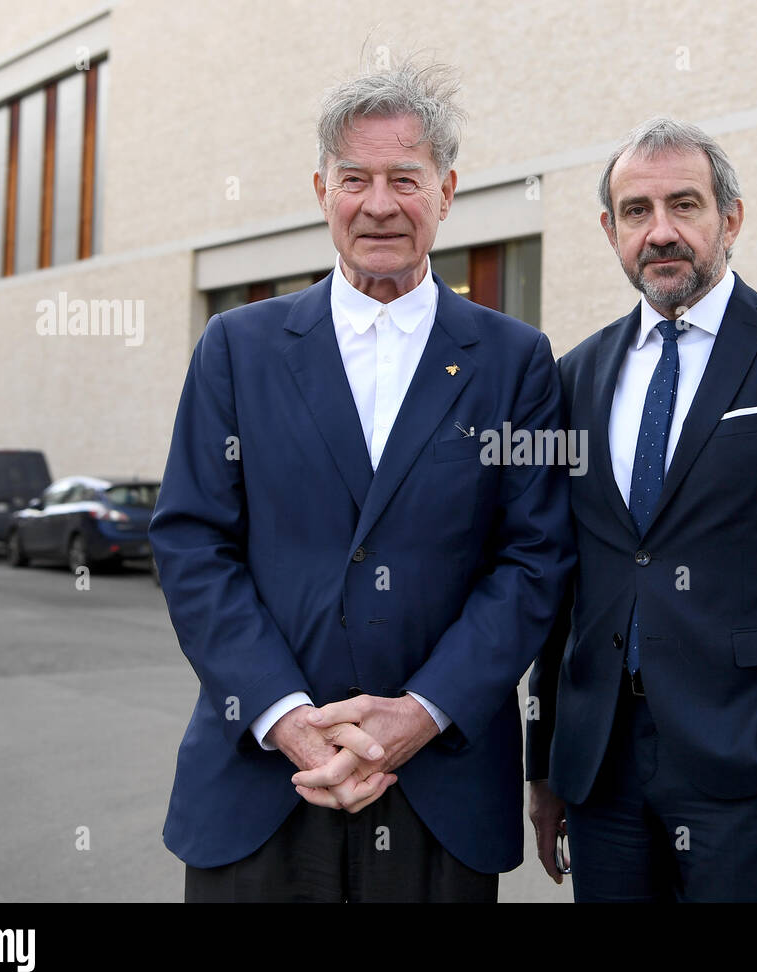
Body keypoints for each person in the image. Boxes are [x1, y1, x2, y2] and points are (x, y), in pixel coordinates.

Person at [151, 60, 573, 902]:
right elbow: (193, 541)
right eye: (356, 179)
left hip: (439, 787)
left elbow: (535, 560)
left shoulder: (517, 362)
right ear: (322, 190)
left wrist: (419, 714)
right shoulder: (236, 349)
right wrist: (287, 719)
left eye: (405, 179)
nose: (379, 204)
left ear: (447, 193)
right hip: (262, 780)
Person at [526, 117, 757, 902]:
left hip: (753, 758)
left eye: (684, 205)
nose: (661, 232)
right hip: (601, 769)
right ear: (610, 231)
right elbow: (562, 580)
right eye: (636, 211)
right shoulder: (574, 377)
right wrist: (545, 761)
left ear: (729, 218)